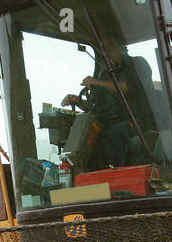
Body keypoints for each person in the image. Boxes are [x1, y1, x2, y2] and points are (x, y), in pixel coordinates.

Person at [62, 30, 154, 167]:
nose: (106, 52)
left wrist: (96, 83)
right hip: (112, 122)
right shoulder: (107, 75)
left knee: (115, 132)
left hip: (139, 120)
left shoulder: (138, 63)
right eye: (103, 49)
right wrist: (77, 101)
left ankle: (115, 172)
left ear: (123, 48)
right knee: (87, 136)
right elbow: (97, 107)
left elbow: (127, 87)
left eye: (110, 47)